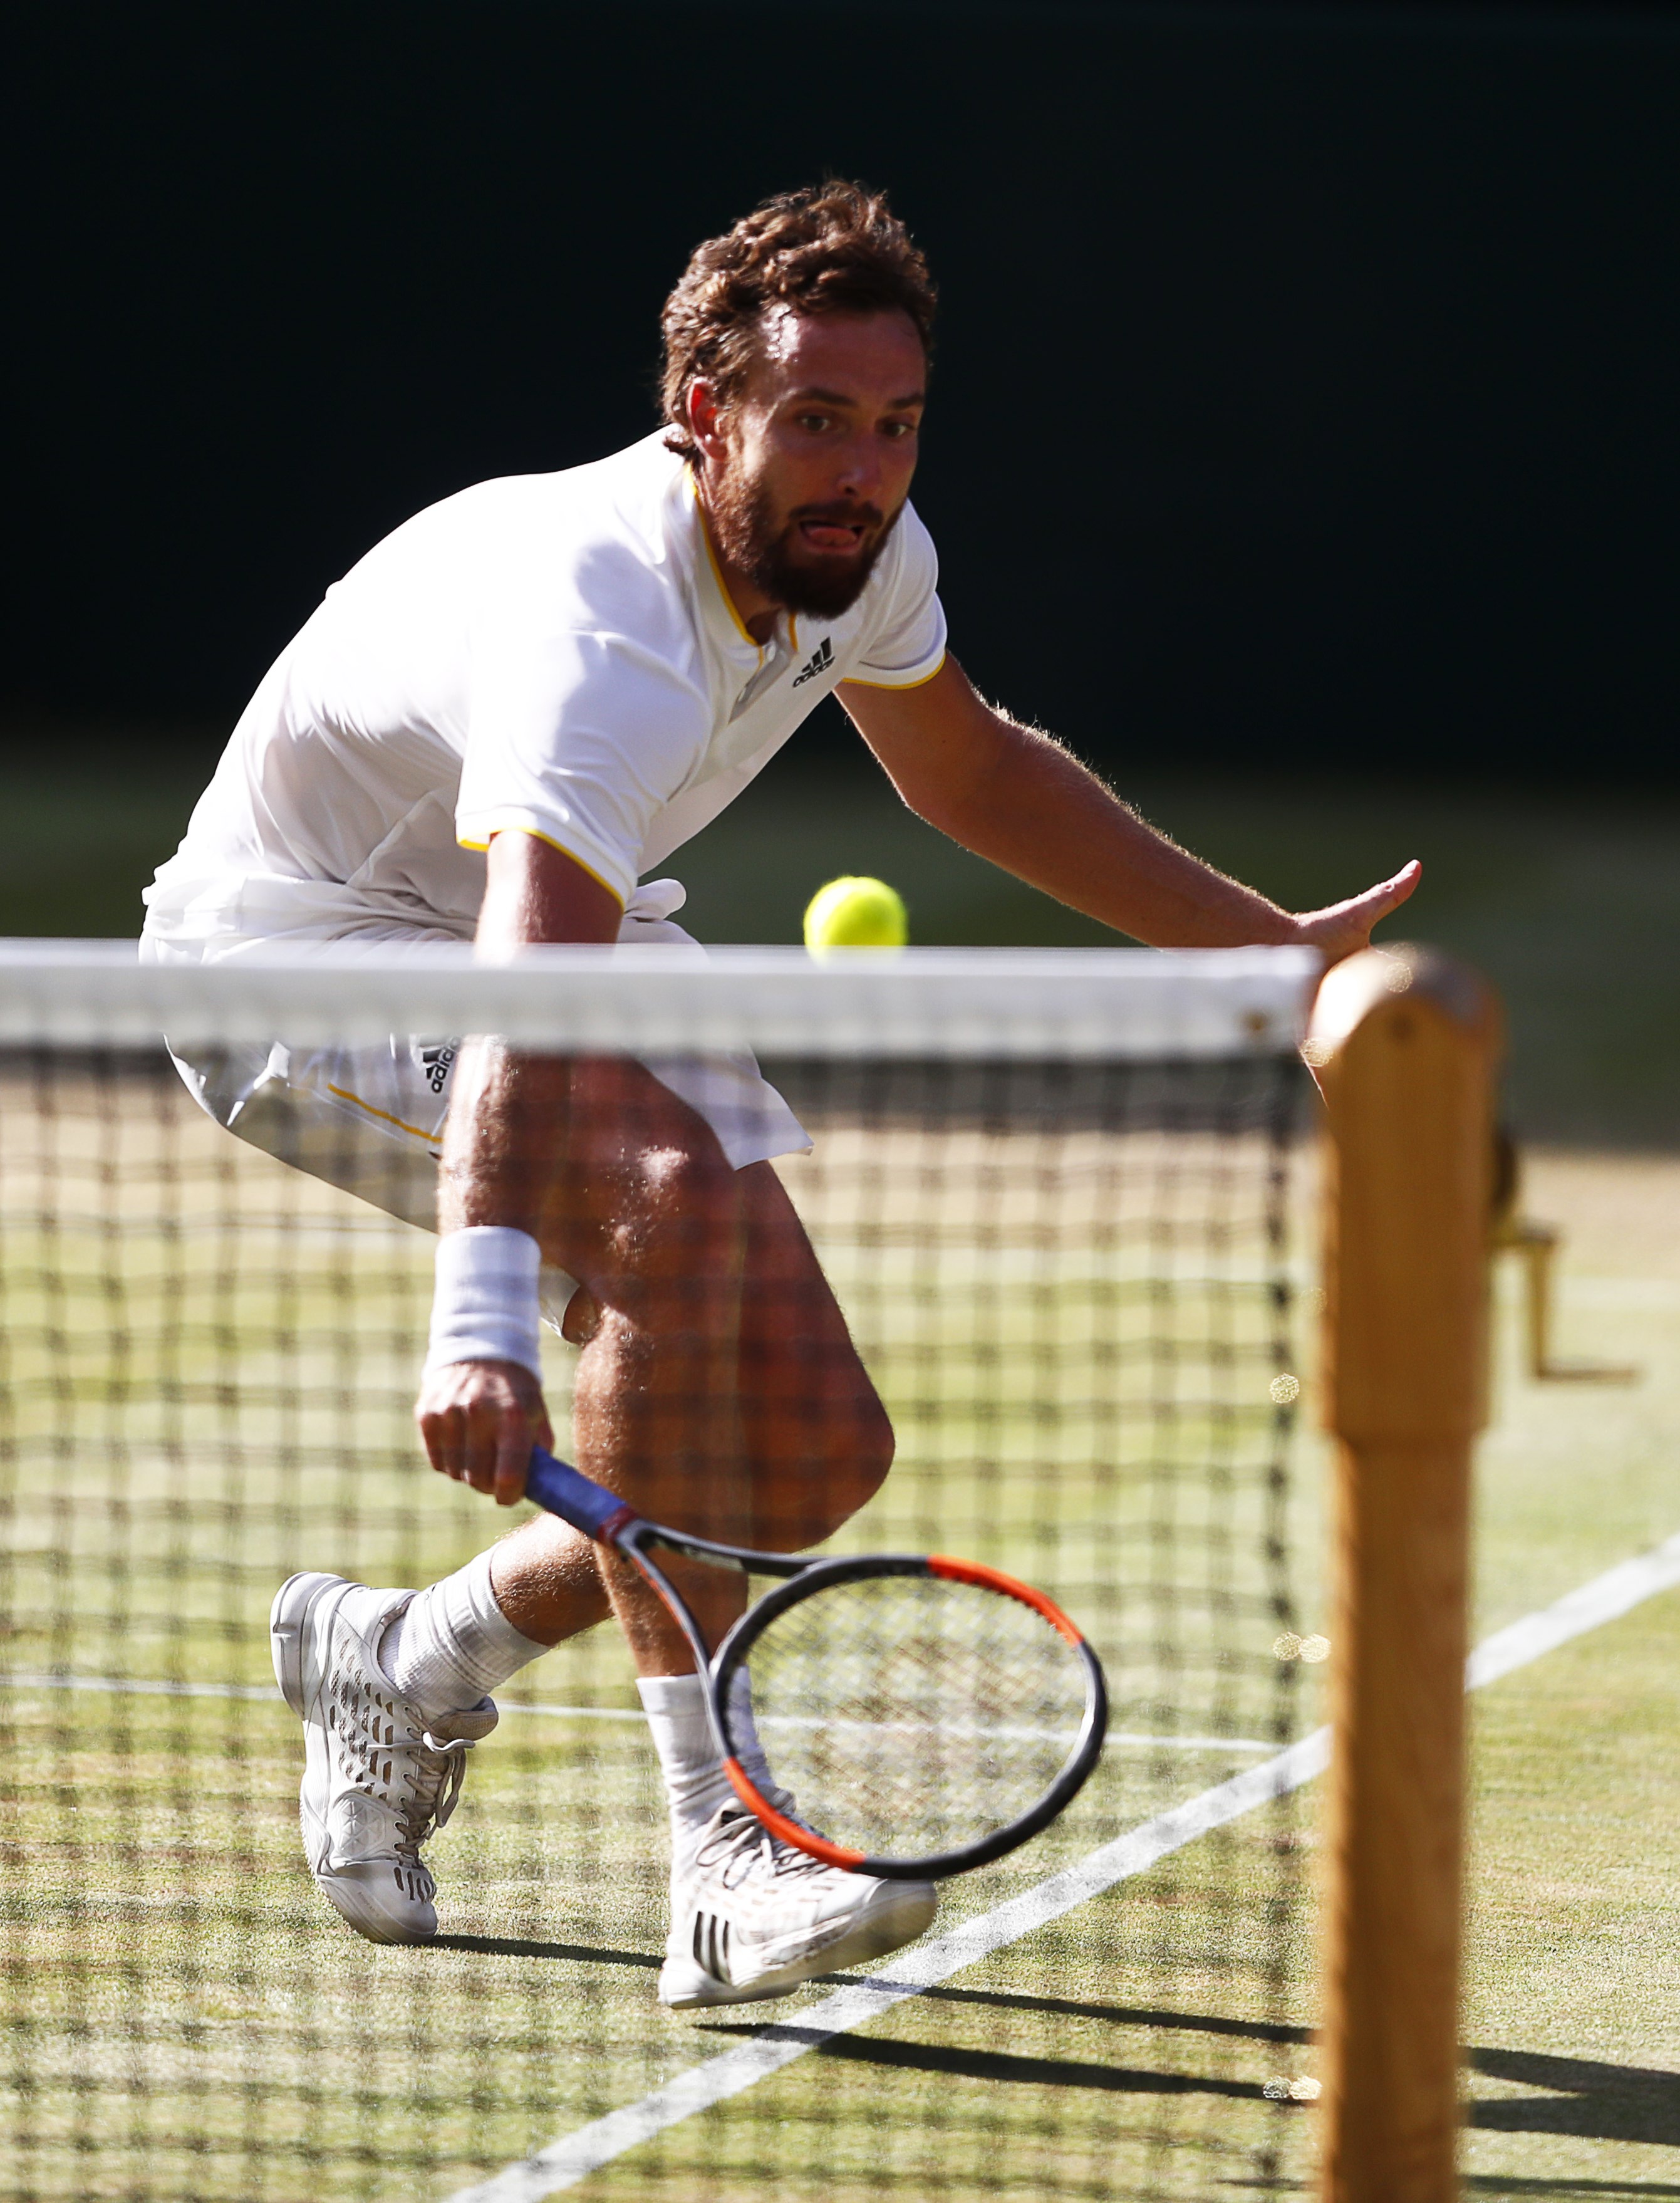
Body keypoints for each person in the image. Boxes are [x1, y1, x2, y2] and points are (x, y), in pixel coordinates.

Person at [141, 182, 1418, 2009]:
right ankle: (724, 1857)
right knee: (670, 1207)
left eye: (894, 424)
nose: (863, 467)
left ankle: (411, 1653)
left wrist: (1260, 958)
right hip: (302, 961)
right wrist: (484, 1316)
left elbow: (970, 771)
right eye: (816, 419)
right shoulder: (606, 631)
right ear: (703, 415)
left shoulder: (855, 549)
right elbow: (527, 985)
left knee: (806, 1450)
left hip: (511, 928)